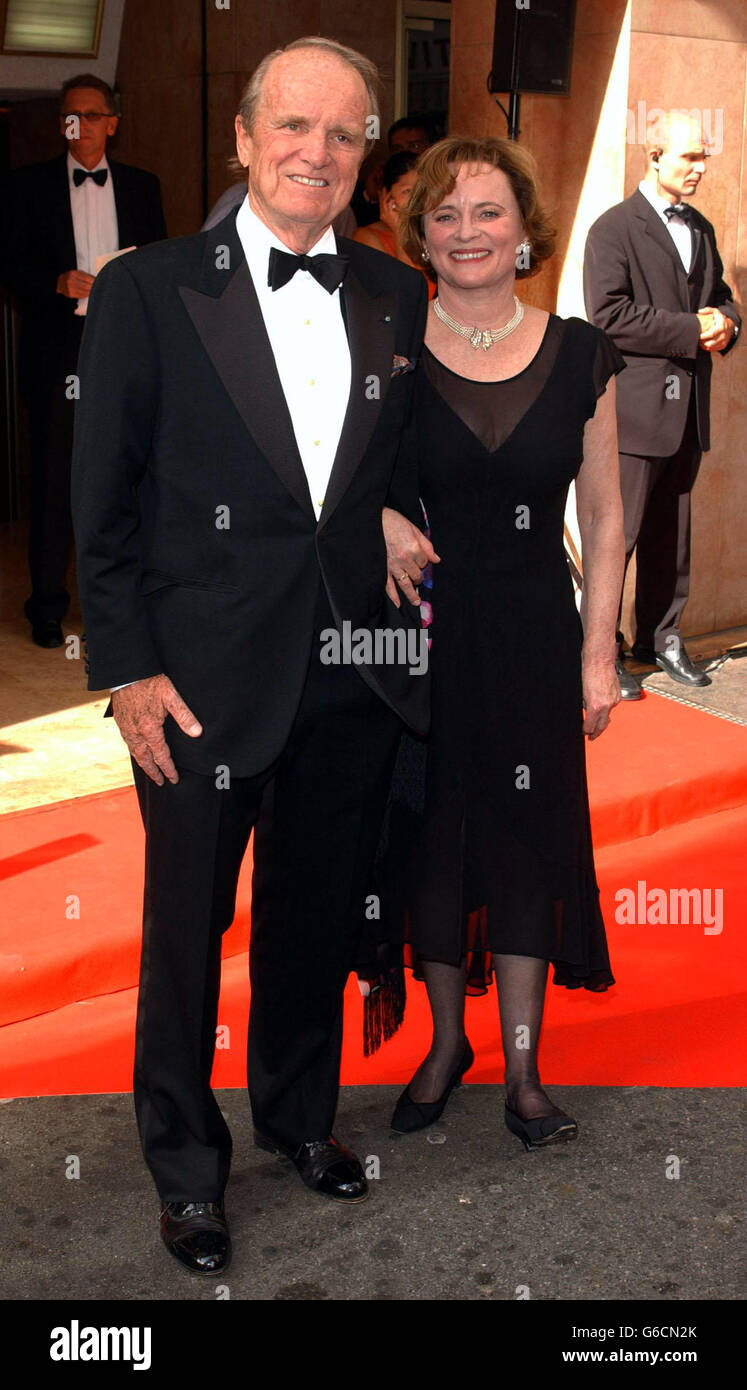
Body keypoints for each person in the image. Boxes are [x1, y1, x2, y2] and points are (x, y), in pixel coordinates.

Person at [72, 37, 428, 1277]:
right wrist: (125, 668)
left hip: (347, 669)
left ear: (364, 154)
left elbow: (395, 465)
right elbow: (99, 501)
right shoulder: (149, 289)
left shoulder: (395, 295)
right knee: (184, 933)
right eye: (292, 127)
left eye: (343, 135)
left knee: (314, 914)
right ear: (242, 138)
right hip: (197, 677)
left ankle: (295, 1118)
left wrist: (400, 513)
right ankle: (185, 1168)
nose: (315, 154)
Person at [379, 136, 625, 1151]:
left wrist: (599, 652)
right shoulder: (389, 351)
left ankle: (523, 1067)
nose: (468, 231)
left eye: (488, 212)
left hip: (533, 632)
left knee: (527, 847)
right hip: (423, 637)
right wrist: (375, 523)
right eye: (447, 215)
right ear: (421, 237)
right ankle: (446, 1046)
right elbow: (335, 486)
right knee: (437, 845)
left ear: (526, 231)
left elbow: (607, 519)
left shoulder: (580, 355)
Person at [0, 74, 166, 649]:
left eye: (93, 115)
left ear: (112, 124)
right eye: (71, 115)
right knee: (53, 480)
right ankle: (46, 605)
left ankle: (119, 604)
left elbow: (160, 270)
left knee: (124, 479)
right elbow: (8, 265)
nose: (81, 124)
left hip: (124, 352)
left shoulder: (144, 187)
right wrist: (55, 282)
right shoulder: (27, 186)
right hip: (58, 353)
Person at [584, 111, 740, 698]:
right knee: (615, 537)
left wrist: (726, 322)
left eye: (704, 157)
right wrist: (690, 328)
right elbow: (609, 315)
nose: (700, 168)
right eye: (690, 157)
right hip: (632, 412)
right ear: (654, 156)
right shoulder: (613, 228)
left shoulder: (700, 227)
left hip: (687, 409)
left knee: (671, 536)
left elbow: (721, 296)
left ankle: (662, 638)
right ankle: (602, 652)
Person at [353, 151, 435, 297]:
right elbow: (406, 295)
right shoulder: (367, 238)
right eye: (407, 191)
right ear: (386, 194)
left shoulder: (431, 232)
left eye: (422, 190)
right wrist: (399, 230)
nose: (417, 199)